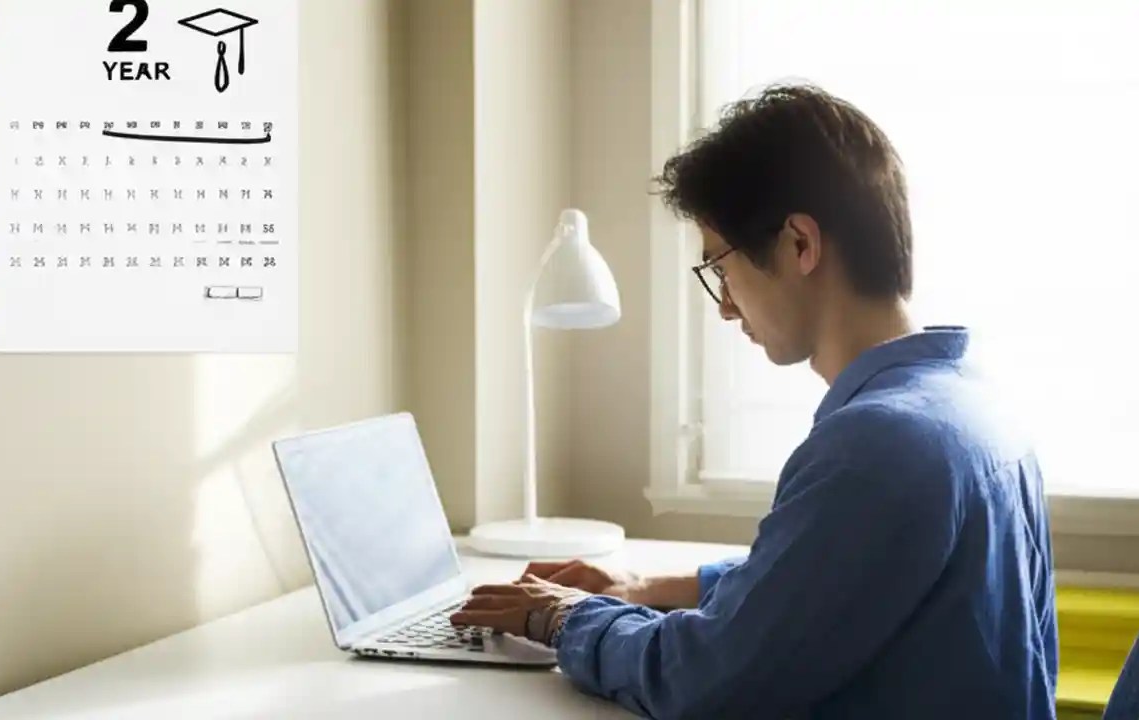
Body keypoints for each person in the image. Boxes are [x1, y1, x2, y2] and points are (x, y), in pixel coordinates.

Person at [449, 83, 1058, 719]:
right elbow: (819, 584)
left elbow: (705, 681)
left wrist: (562, 618)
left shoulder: (875, 445)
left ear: (800, 244)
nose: (726, 305)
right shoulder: (971, 406)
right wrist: (650, 587)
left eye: (721, 266)